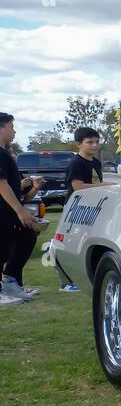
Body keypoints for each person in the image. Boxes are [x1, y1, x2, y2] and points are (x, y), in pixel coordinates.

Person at [0, 112, 43, 303]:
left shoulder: (6, 154)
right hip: (3, 213)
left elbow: (18, 192)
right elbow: (1, 185)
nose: (14, 131)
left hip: (10, 212)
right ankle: (8, 286)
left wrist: (33, 188)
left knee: (26, 236)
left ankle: (11, 283)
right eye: (11, 126)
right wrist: (20, 211)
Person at [67, 126, 107, 193]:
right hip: (78, 201)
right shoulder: (76, 163)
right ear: (78, 144)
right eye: (90, 142)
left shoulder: (96, 162)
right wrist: (103, 185)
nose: (95, 145)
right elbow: (78, 187)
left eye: (97, 142)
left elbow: (98, 181)